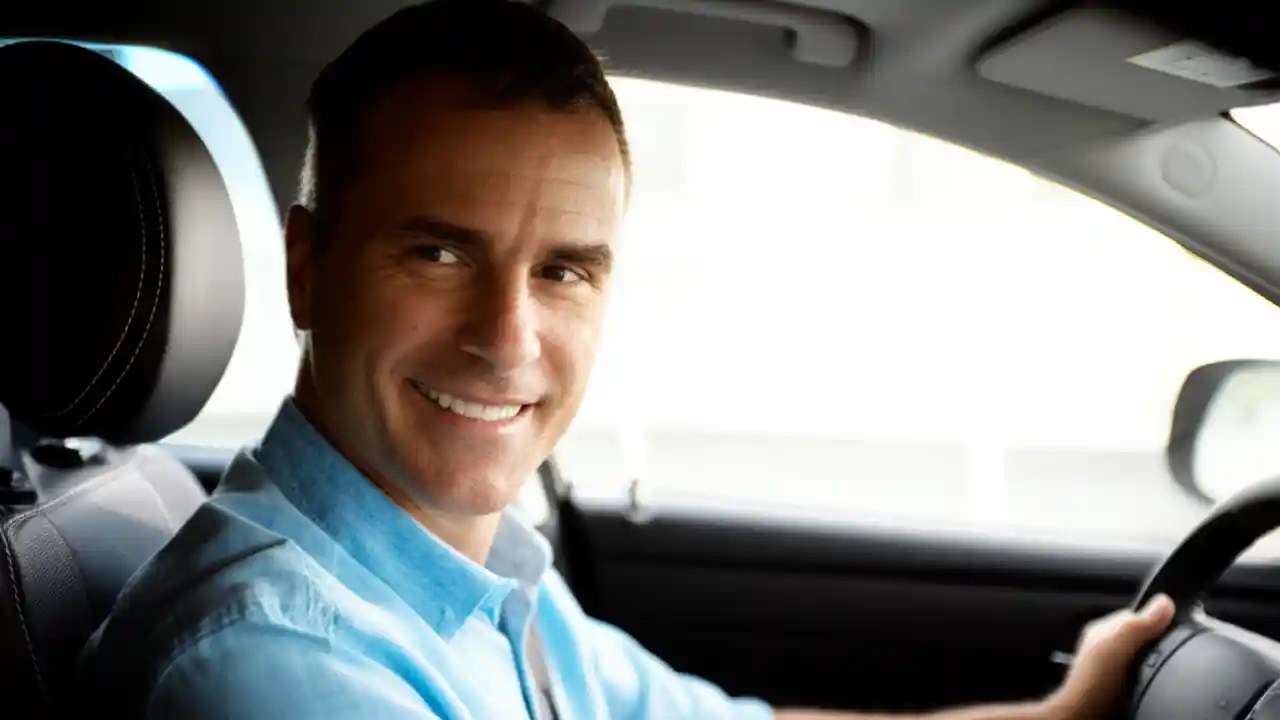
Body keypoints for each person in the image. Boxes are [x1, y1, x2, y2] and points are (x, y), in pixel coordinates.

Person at [79, 1, 1175, 718]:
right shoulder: (268, 668)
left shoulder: (478, 584)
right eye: (438, 251)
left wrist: (1057, 716)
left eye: (563, 271)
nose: (507, 339)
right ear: (308, 271)